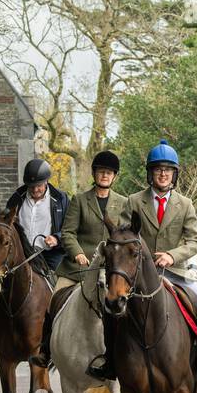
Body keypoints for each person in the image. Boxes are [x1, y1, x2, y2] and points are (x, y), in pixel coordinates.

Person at [85, 139, 197, 381]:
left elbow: (194, 242)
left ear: (174, 174)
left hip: (176, 272)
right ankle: (110, 359)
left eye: (167, 170)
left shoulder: (185, 204)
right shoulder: (134, 201)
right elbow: (121, 235)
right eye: (158, 169)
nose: (163, 174)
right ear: (151, 173)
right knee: (111, 303)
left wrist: (171, 255)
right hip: (138, 275)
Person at [30, 150, 127, 367]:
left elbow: (125, 235)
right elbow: (68, 232)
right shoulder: (80, 200)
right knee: (54, 300)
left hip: (111, 268)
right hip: (77, 267)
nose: (104, 175)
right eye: (101, 171)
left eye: (109, 172)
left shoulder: (123, 203)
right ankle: (46, 350)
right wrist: (78, 253)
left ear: (114, 176)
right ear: (94, 174)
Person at [0, 158, 67, 348]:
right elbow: (4, 226)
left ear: (47, 181)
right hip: (21, 256)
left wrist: (56, 237)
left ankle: (60, 335)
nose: (35, 190)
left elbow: (70, 227)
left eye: (39, 186)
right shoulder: (16, 198)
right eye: (31, 186)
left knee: (60, 291)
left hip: (48, 254)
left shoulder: (61, 199)